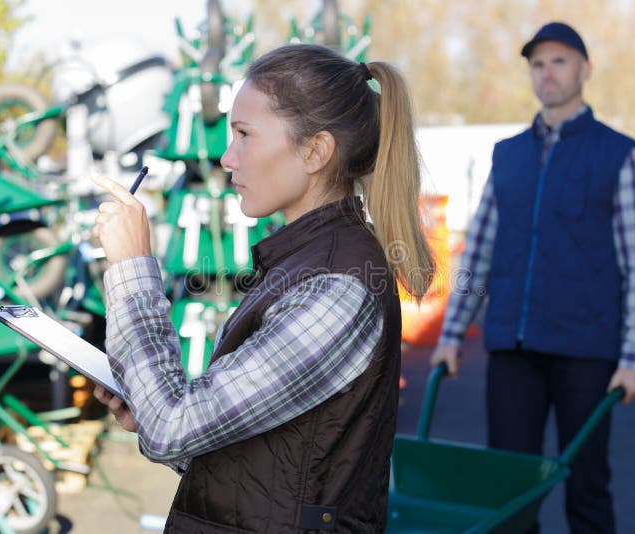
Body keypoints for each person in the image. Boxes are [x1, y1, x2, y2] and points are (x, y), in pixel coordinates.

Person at [91, 43, 433, 532]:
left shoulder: (336, 289)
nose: (227, 157)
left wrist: (132, 266)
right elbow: (273, 464)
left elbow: (173, 426)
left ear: (315, 151)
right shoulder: (302, 261)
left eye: (244, 135)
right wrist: (147, 405)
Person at [430, 22, 635, 534]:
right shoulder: (508, 155)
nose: (547, 73)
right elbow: (480, 250)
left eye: (559, 61)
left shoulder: (620, 154)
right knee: (510, 490)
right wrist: (451, 334)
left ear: (585, 70)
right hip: (513, 352)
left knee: (587, 487)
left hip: (587, 352)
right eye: (538, 64)